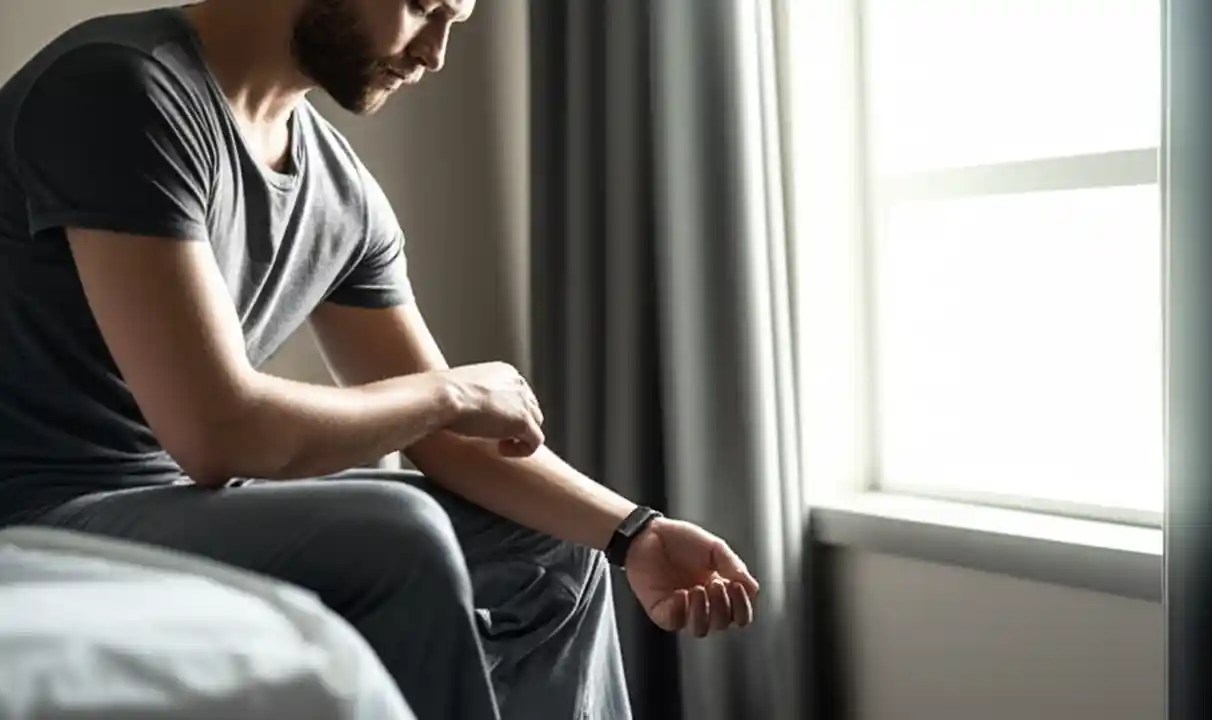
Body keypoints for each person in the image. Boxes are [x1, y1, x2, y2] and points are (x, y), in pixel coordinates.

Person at [0, 1, 761, 718]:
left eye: (454, 21)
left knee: (552, 548)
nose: (435, 54)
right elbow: (219, 434)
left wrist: (633, 532)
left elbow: (449, 443)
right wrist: (447, 394)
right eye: (424, 8)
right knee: (397, 530)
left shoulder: (338, 188)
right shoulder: (120, 88)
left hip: (168, 504)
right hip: (36, 515)